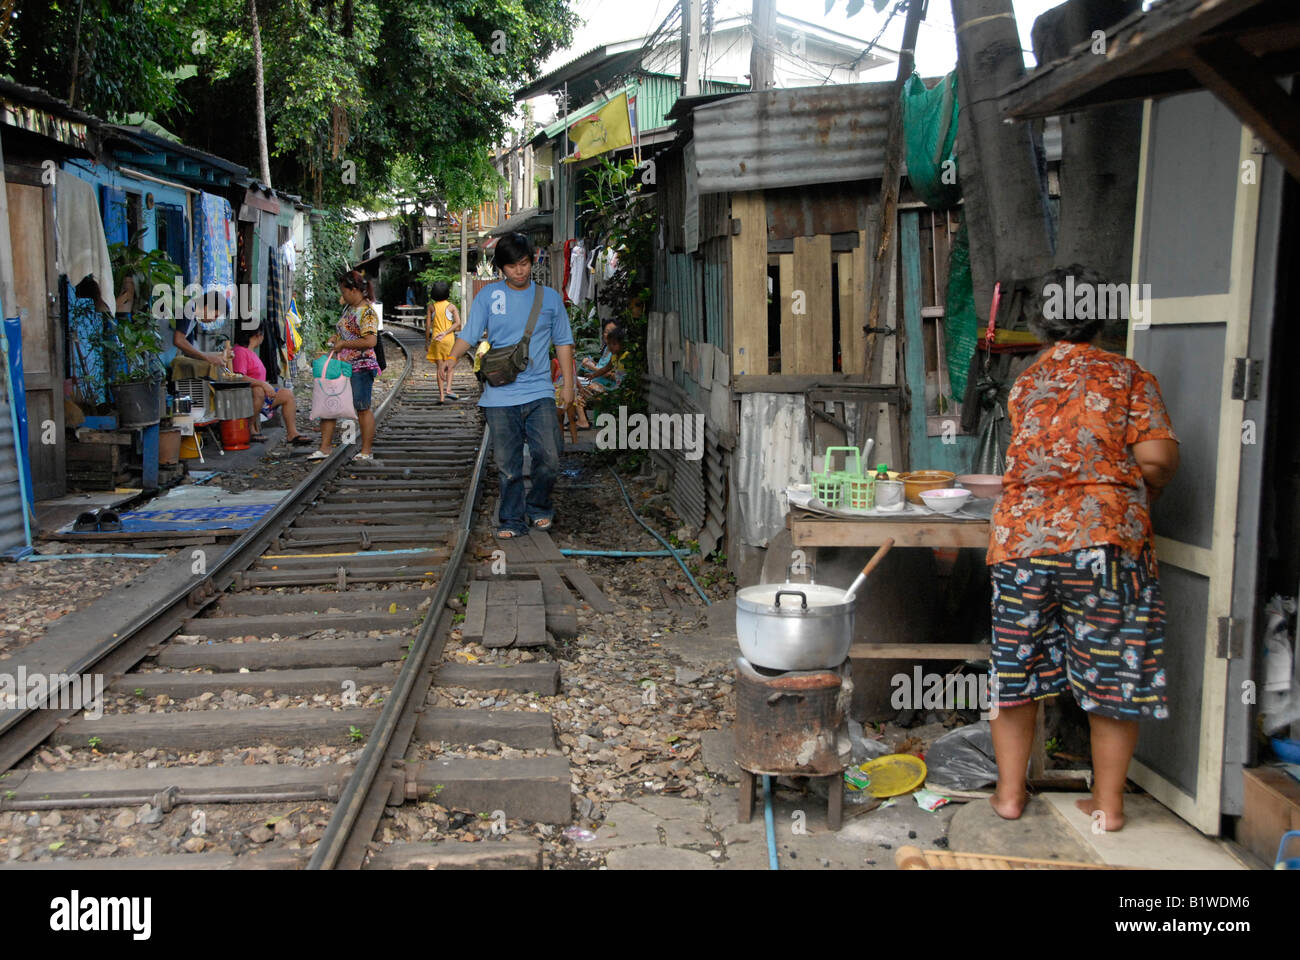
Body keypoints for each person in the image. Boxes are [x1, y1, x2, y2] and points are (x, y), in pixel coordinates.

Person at [986, 265, 1179, 832]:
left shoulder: (1025, 381)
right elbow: (1158, 459)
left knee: (1013, 672)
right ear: (1101, 316)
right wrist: (1147, 490)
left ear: (1041, 322)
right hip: (1104, 544)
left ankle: (1008, 795)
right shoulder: (1127, 375)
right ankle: (1110, 806)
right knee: (1112, 674)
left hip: (1021, 544)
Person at [437, 233, 574, 538]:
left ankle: (539, 505)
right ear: (501, 268)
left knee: (549, 458)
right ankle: (511, 519)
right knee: (508, 465)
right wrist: (451, 358)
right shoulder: (488, 296)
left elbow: (563, 341)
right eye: (512, 266)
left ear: (532, 261)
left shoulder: (550, 298)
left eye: (524, 263)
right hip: (500, 393)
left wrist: (568, 383)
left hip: (539, 391)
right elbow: (470, 334)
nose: (519, 271)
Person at [309, 270, 380, 462]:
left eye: (344, 291)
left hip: (361, 366)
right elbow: (347, 332)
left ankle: (366, 451)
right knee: (330, 403)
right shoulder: (349, 309)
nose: (342, 295)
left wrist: (344, 344)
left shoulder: (367, 313)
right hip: (342, 365)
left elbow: (370, 341)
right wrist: (336, 338)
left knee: (362, 407)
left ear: (354, 290)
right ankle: (324, 448)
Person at [230, 324, 313, 446]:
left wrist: (264, 385)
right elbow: (238, 376)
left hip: (261, 397)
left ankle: (292, 434)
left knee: (287, 394)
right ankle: (248, 430)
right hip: (246, 397)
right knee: (258, 390)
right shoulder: (240, 352)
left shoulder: (250, 352)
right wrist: (263, 385)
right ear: (259, 335)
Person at [425, 281, 462, 402]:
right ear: (447, 293)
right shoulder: (451, 307)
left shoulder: (431, 307)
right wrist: (447, 332)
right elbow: (458, 323)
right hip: (449, 340)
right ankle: (449, 389)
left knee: (440, 368)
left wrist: (427, 341)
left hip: (436, 340)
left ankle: (441, 396)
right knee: (450, 366)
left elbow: (428, 326)